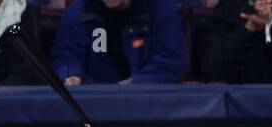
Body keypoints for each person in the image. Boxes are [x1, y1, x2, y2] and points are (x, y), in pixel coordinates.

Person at [49, 0, 186, 86]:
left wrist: (133, 85)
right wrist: (71, 75)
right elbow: (65, 56)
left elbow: (170, 63)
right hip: (93, 105)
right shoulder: (77, 13)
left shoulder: (161, 8)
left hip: (149, 103)